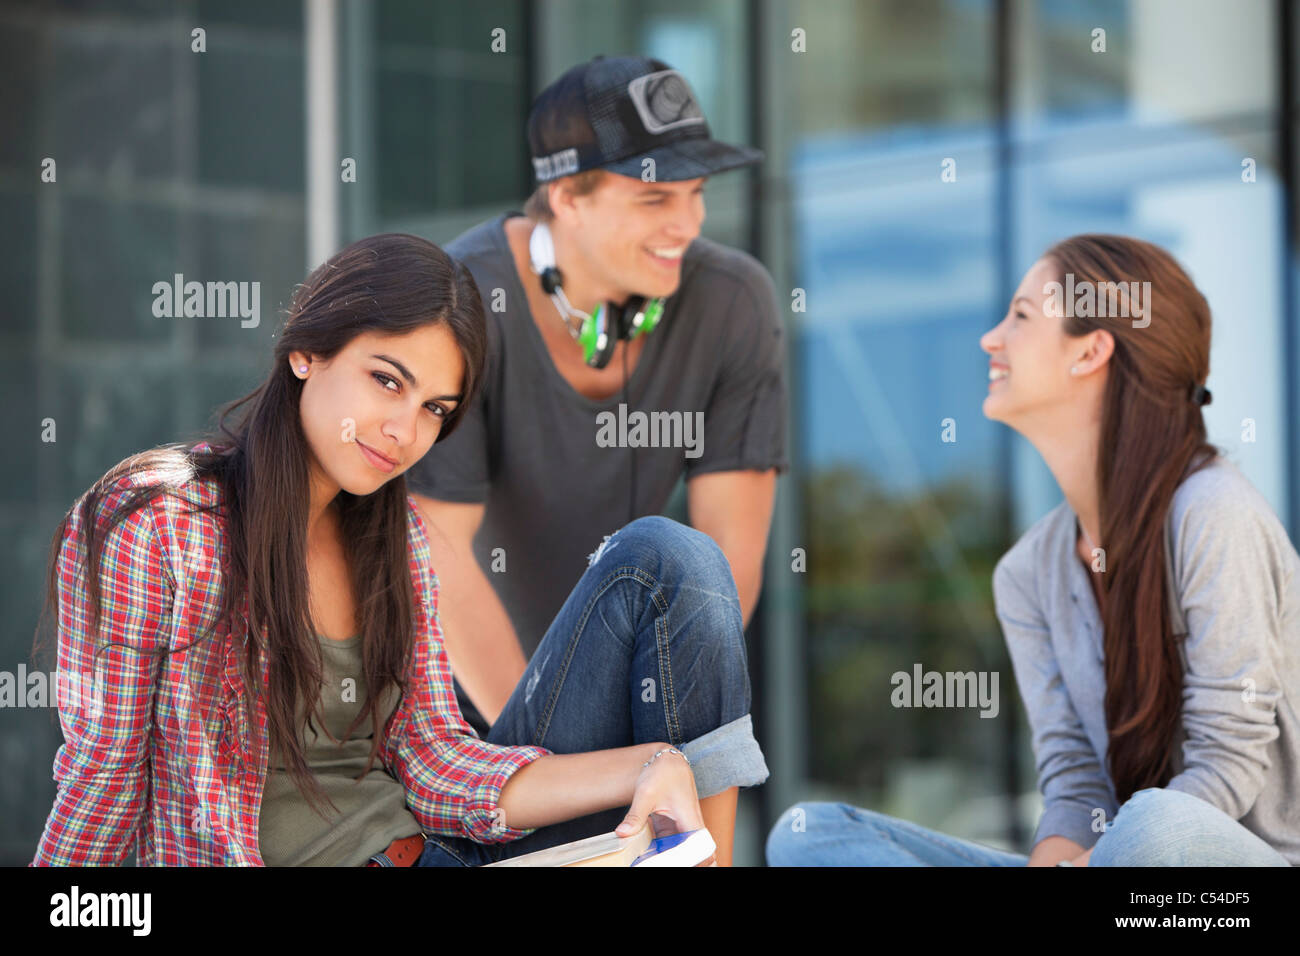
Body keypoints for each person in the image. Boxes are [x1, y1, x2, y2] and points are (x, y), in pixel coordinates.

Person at [29, 233, 767, 867]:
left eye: (433, 410)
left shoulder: (396, 540)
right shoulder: (160, 523)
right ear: (307, 352)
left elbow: (438, 763)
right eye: (387, 381)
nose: (403, 430)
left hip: (434, 850)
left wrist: (656, 763)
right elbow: (105, 773)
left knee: (670, 563)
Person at [767, 234, 1298, 866]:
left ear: (1092, 351)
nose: (991, 339)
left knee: (1156, 824)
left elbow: (1227, 761)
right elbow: (1075, 782)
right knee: (811, 834)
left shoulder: (1214, 512)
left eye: (1021, 317)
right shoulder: (1028, 572)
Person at [404, 57, 788, 822]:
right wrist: (557, 772)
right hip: (468, 715)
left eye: (696, 195)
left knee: (685, 568)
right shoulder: (465, 297)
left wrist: (632, 736)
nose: (687, 224)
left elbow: (722, 584)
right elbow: (437, 558)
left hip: (636, 690)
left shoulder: (733, 302)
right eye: (654, 198)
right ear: (565, 198)